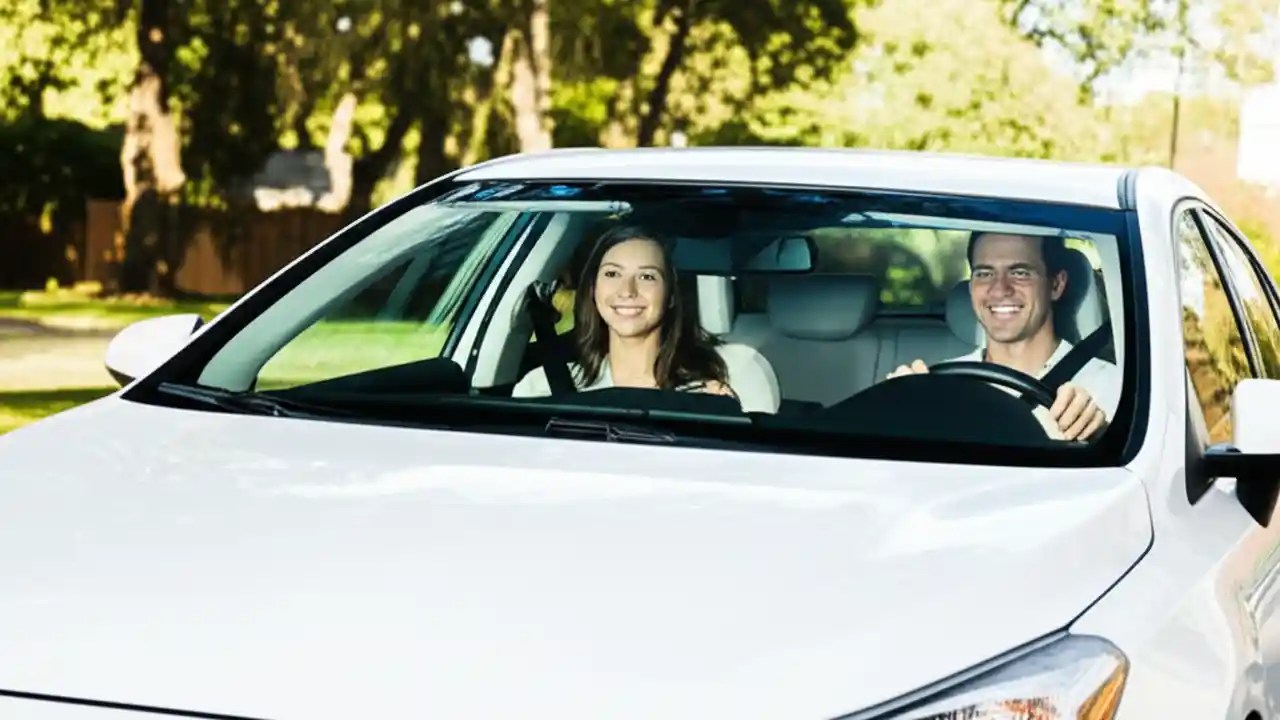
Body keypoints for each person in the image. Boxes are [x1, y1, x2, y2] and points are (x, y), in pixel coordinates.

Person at [887, 232, 1121, 442]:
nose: (999, 289)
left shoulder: (1112, 387)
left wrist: (1102, 437)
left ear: (1056, 285)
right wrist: (891, 413)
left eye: (1019, 272)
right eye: (985, 273)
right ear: (971, 287)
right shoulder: (934, 388)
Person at [512, 224, 738, 399]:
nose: (627, 291)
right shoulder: (541, 388)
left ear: (670, 296)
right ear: (593, 289)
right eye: (612, 274)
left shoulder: (705, 397)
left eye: (647, 276)